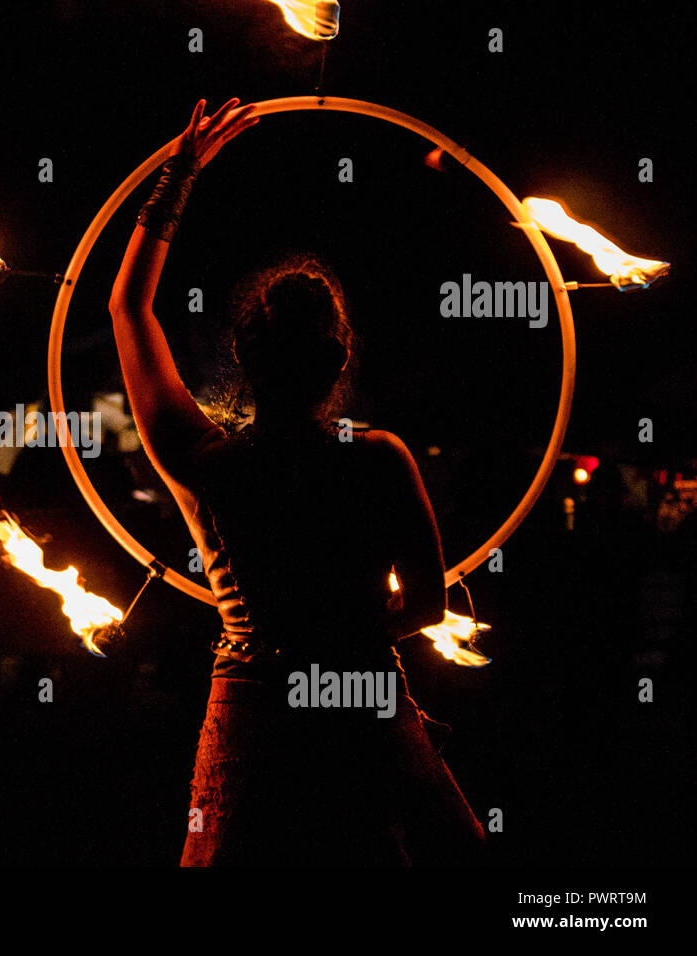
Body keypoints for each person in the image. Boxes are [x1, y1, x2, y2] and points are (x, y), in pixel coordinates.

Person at [108, 98, 487, 866]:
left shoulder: (205, 462)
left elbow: (127, 307)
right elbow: (423, 604)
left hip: (253, 703)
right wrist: (338, 634)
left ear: (243, 357)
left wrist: (179, 173)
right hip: (359, 698)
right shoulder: (379, 456)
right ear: (340, 361)